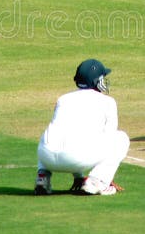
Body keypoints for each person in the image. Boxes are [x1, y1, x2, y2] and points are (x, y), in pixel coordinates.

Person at [35, 59, 130, 196]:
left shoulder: (63, 99)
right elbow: (109, 138)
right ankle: (96, 182)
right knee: (121, 138)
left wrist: (78, 176)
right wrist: (106, 174)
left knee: (53, 133)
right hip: (77, 159)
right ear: (97, 80)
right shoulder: (108, 102)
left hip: (46, 158)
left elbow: (67, 136)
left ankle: (42, 176)